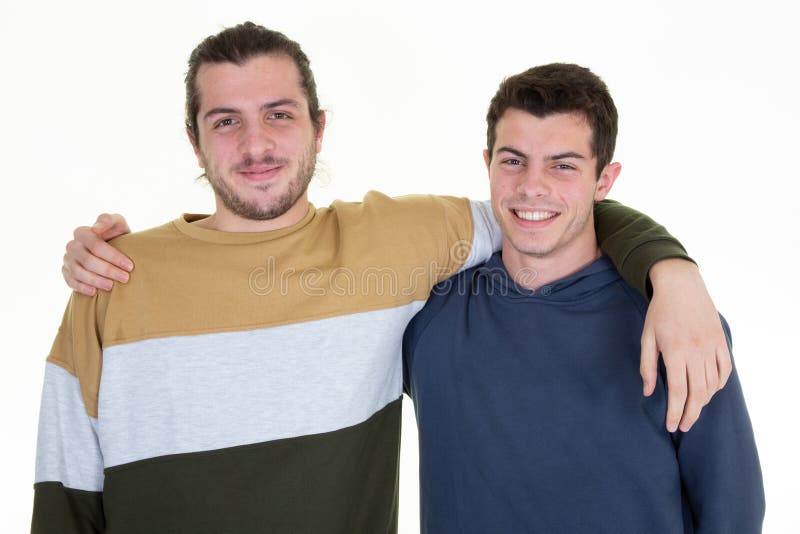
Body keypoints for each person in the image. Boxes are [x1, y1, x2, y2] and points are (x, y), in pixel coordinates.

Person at [39, 22, 729, 534]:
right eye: (226, 122)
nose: (255, 146)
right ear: (194, 139)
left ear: (318, 127)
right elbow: (64, 492)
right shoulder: (116, 277)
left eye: (278, 115)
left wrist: (673, 271)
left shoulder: (397, 241)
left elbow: (548, 207)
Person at [403, 63, 764, 533]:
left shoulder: (675, 324)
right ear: (487, 162)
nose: (533, 186)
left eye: (563, 165)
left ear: (604, 181)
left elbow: (731, 511)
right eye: (513, 160)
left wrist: (675, 273)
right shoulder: (429, 315)